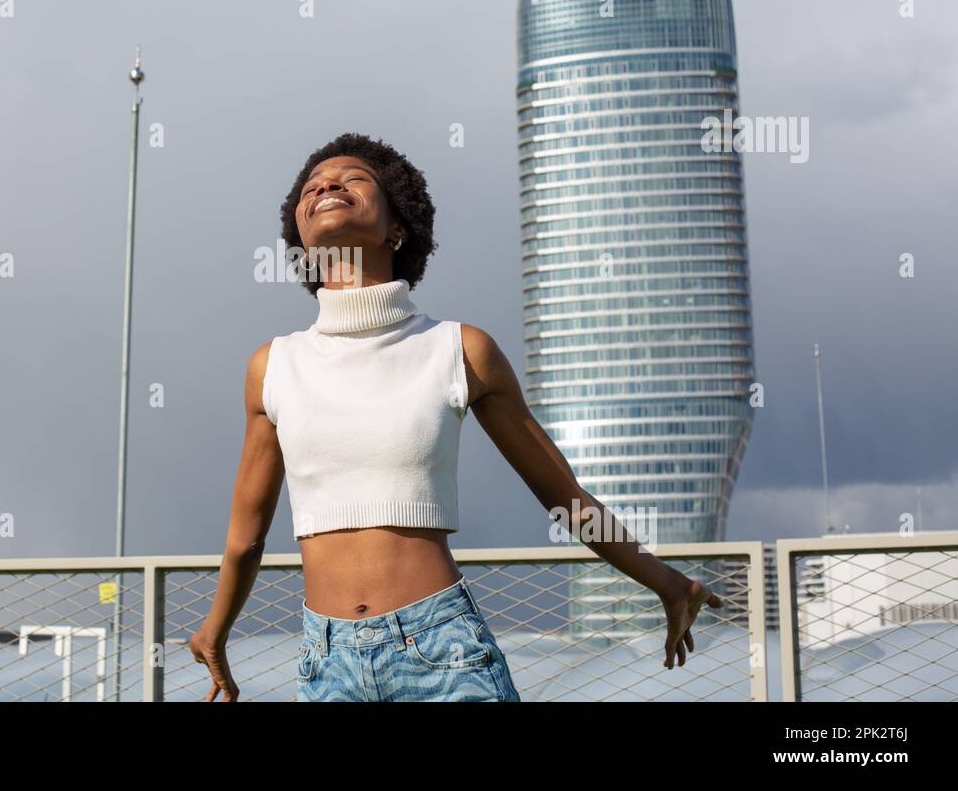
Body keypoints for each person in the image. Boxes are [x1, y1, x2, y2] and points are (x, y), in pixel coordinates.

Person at [188, 132, 721, 701]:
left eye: (352, 178)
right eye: (312, 186)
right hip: (326, 664)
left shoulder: (460, 349)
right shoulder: (273, 366)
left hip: (443, 651)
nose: (326, 186)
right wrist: (214, 631)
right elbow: (246, 538)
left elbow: (564, 497)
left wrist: (666, 583)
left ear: (398, 224)